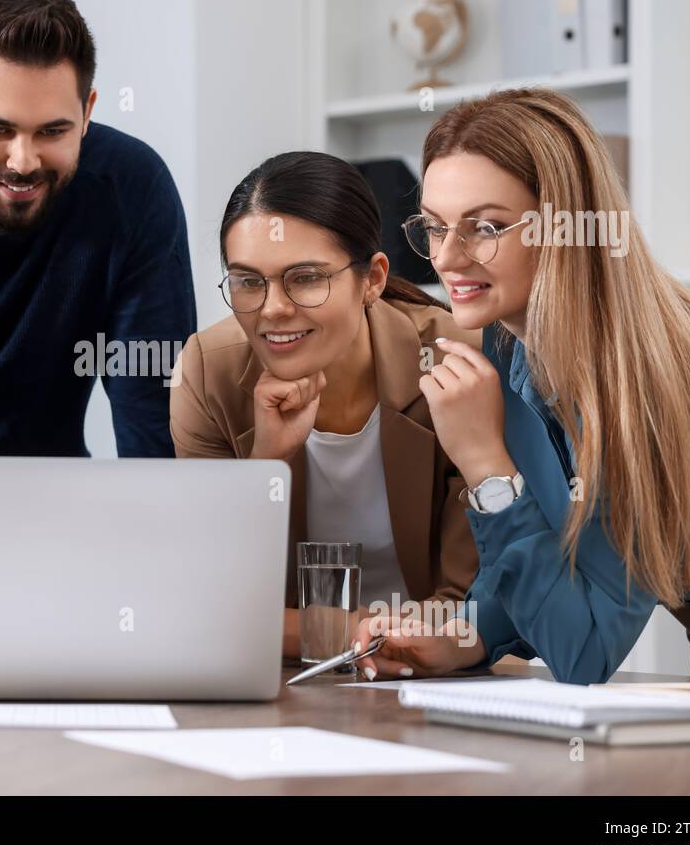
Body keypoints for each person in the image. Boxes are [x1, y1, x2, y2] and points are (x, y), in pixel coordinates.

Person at [356, 88, 690, 684]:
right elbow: (552, 547)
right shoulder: (507, 340)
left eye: (486, 227)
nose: (447, 257)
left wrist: (485, 466)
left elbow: (583, 652)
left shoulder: (655, 381)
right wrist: (467, 636)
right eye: (433, 226)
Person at [170, 151, 481, 664]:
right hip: (291, 688)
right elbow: (212, 606)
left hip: (440, 682)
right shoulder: (209, 372)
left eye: (306, 277)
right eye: (248, 281)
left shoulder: (452, 362)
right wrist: (267, 464)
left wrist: (324, 633)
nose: (272, 308)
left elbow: (469, 606)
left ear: (373, 279)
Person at [0, 0, 197, 457]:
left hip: (57, 504)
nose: (23, 161)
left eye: (53, 130)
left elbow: (153, 416)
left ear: (87, 113)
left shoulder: (131, 188)